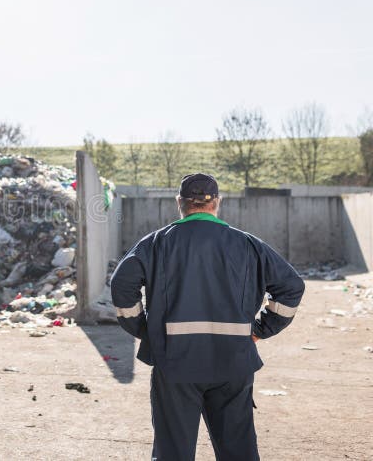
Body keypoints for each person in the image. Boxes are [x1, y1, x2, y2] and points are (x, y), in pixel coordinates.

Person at [110, 173, 305, 461]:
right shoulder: (248, 244)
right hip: (233, 362)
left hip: (175, 361)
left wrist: (146, 329)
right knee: (238, 449)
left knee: (173, 452)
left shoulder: (156, 243)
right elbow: (291, 286)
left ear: (180, 203)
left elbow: (121, 284)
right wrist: (262, 329)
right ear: (217, 203)